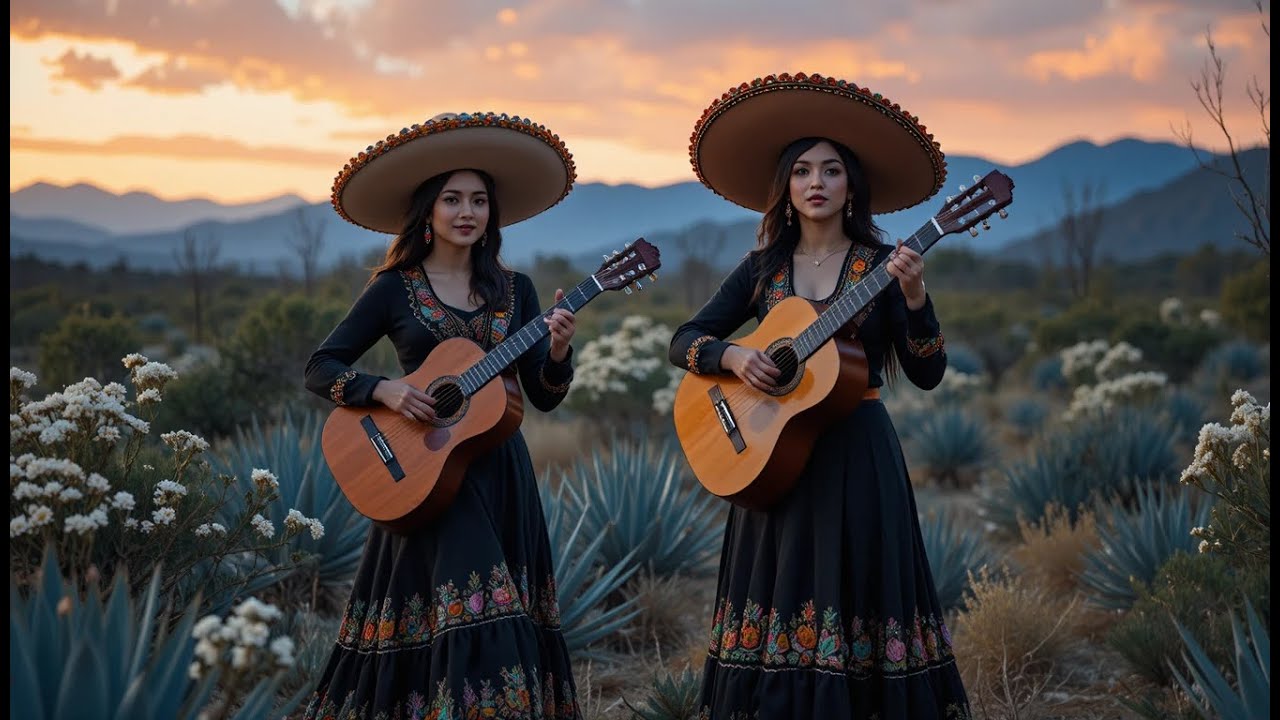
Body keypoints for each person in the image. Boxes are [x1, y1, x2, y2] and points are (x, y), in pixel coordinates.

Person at [670, 74, 972, 719]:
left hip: (857, 455)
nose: (817, 182)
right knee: (777, 590)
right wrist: (737, 356)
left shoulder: (885, 265)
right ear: (785, 186)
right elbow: (685, 340)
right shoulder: (762, 269)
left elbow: (928, 373)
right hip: (769, 456)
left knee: (861, 587)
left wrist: (915, 296)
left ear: (851, 187)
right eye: (802, 171)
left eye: (831, 171)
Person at [301, 112, 583, 719]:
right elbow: (321, 367)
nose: (466, 212)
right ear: (427, 211)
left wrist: (559, 352)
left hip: (499, 475)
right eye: (452, 199)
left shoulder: (517, 292)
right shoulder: (393, 288)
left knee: (495, 614)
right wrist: (383, 391)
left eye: (479, 200)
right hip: (419, 472)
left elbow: (543, 395)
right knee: (455, 609)